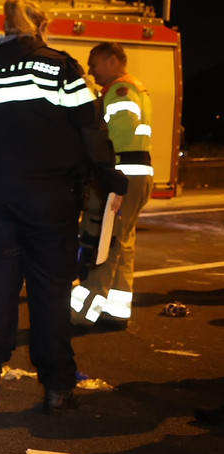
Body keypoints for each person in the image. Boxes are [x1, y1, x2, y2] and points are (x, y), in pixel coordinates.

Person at [0, 0, 126, 414]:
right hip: (49, 197)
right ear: (41, 27)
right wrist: (108, 174)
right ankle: (58, 388)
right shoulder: (58, 67)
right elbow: (90, 126)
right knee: (50, 291)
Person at [71, 42, 153, 329]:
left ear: (113, 60)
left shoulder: (119, 92)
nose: (91, 72)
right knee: (121, 241)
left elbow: (112, 137)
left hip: (119, 172)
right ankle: (116, 310)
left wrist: (107, 175)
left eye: (94, 64)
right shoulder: (136, 88)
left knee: (102, 241)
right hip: (137, 172)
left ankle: (82, 314)